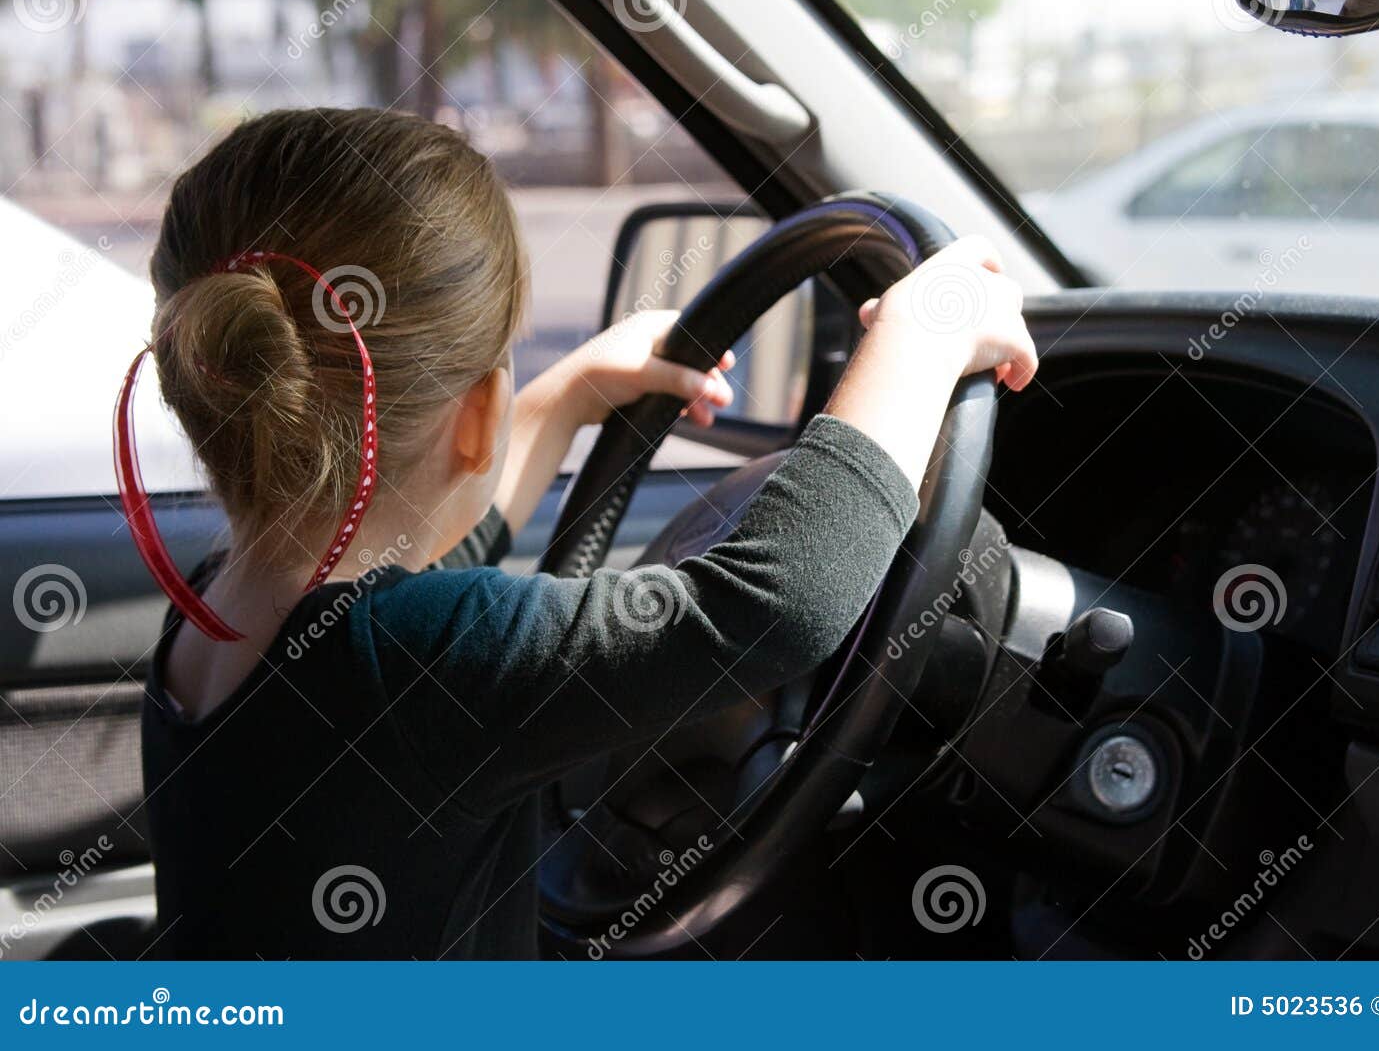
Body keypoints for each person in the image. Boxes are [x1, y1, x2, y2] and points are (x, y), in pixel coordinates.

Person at [134, 107, 1036, 957]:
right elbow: (775, 602)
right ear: (477, 416)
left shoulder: (210, 614)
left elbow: (411, 566)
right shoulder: (416, 661)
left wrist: (561, 401)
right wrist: (918, 339)